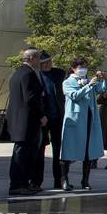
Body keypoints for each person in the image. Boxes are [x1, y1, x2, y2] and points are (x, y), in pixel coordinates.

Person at [60, 61, 107, 191]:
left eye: (85, 67)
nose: (83, 70)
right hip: (75, 120)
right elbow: (74, 96)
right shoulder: (67, 82)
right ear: (73, 69)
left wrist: (105, 79)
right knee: (68, 151)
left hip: (89, 119)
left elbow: (102, 89)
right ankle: (64, 180)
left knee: (88, 151)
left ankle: (85, 181)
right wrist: (89, 85)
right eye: (80, 67)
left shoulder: (88, 80)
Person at [5, 49, 47, 196]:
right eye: (38, 58)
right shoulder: (28, 74)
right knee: (22, 154)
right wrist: (41, 115)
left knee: (24, 153)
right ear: (32, 59)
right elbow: (31, 98)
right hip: (26, 122)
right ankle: (17, 184)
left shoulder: (17, 73)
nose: (39, 62)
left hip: (20, 121)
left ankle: (22, 183)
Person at [38, 52, 67, 190]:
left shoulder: (59, 74)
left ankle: (59, 179)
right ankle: (37, 181)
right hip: (42, 118)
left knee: (59, 151)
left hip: (57, 116)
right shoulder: (35, 75)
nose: (47, 65)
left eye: (49, 61)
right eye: (44, 62)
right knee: (39, 150)